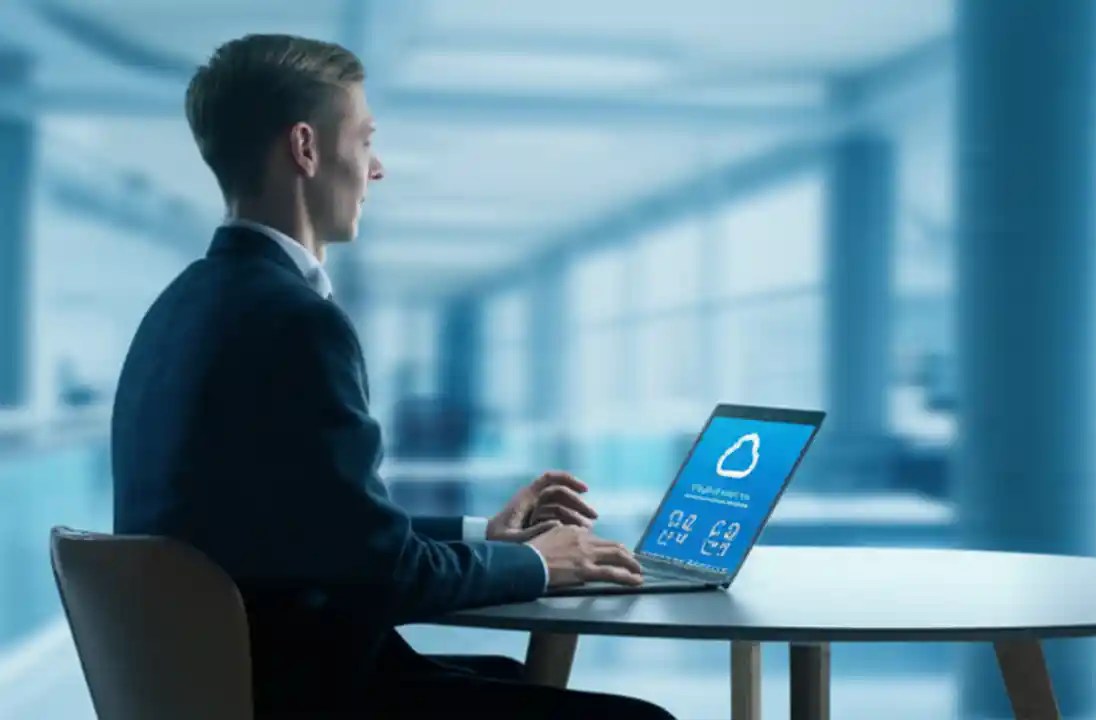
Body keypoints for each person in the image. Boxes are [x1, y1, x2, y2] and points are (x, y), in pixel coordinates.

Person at [111, 33, 674, 719]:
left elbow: (327, 526)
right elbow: (379, 574)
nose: (376, 168)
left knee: (510, 679)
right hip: (300, 690)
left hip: (218, 679)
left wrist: (480, 536)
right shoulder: (294, 323)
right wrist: (541, 564)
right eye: (366, 139)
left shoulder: (181, 307)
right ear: (307, 148)